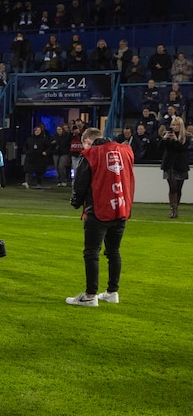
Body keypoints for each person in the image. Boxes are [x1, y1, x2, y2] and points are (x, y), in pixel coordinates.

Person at [67, 128, 135, 307]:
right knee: (114, 251)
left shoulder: (91, 154)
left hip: (99, 209)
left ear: (87, 142)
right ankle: (112, 292)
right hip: (120, 208)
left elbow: (80, 182)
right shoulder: (125, 150)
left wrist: (76, 202)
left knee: (91, 252)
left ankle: (90, 295)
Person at [158, 117, 190, 218]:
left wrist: (176, 140)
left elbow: (183, 149)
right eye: (174, 125)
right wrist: (164, 139)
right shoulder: (168, 135)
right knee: (173, 187)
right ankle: (173, 209)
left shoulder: (186, 136)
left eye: (177, 125)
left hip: (180, 164)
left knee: (179, 189)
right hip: (169, 165)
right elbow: (159, 148)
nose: (175, 127)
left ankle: (176, 207)